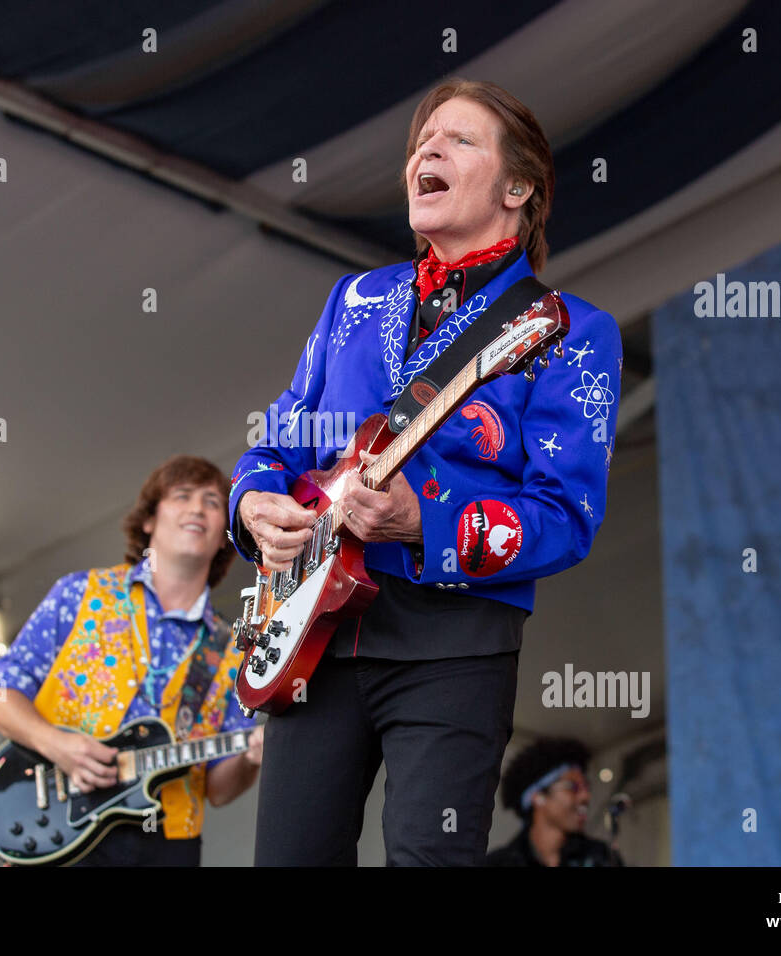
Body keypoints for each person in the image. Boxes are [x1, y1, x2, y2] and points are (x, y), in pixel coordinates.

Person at [229, 78, 622, 865]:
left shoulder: (574, 332)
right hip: (315, 636)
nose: (426, 152)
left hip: (455, 643)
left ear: (519, 187)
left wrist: (427, 524)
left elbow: (567, 515)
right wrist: (254, 504)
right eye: (421, 142)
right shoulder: (355, 299)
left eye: (458, 140)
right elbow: (278, 440)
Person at [0, 455, 264, 866]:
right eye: (182, 496)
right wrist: (57, 746)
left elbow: (219, 789)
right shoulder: (79, 593)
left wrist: (252, 757)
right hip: (59, 828)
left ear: (225, 536)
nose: (198, 508)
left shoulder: (234, 646)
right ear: (148, 520)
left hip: (167, 843)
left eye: (214, 502)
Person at [486, 737, 623, 866]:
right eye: (572, 787)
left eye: (586, 787)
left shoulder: (602, 858)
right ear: (538, 796)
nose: (585, 796)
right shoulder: (498, 863)